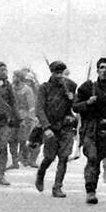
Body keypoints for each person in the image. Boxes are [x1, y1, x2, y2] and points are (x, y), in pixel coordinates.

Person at [72, 58, 106, 203]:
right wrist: (87, 103)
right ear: (97, 70)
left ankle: (92, 187)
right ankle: (90, 191)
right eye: (101, 68)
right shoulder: (88, 87)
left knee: (97, 160)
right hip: (90, 129)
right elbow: (75, 107)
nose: (104, 70)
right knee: (92, 157)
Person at [34, 61, 78, 197]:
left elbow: (76, 107)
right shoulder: (44, 88)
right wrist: (46, 127)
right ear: (52, 73)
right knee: (49, 157)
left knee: (64, 157)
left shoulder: (70, 86)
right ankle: (41, 173)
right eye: (57, 73)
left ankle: (57, 187)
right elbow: (39, 109)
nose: (59, 76)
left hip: (65, 126)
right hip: (50, 126)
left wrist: (72, 99)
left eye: (62, 73)